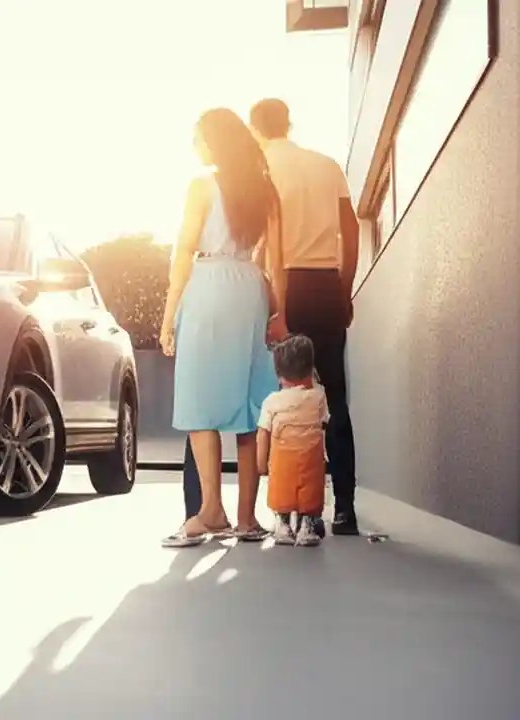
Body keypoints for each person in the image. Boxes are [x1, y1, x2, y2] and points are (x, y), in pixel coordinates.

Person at [160, 107, 280, 548]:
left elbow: (184, 250)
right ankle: (247, 518)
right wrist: (276, 309)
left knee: (199, 403)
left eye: (198, 137)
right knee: (249, 407)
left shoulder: (201, 186)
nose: (195, 145)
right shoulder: (263, 188)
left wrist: (170, 313)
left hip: (209, 285)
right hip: (250, 288)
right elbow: (274, 260)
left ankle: (211, 510)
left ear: (213, 141)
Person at [250, 98, 361, 537]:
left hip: (288, 285)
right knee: (335, 399)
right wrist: (345, 288)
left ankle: (290, 508)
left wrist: (278, 308)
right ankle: (345, 510)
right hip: (327, 283)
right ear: (288, 122)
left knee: (286, 401)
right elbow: (350, 230)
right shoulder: (326, 164)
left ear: (257, 129)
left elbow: (272, 247)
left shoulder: (265, 172)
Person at [257, 335, 330, 547]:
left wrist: (261, 464)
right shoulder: (318, 396)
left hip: (282, 460)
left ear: (279, 375)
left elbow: (263, 433)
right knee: (311, 493)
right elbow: (324, 421)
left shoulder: (272, 401)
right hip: (311, 459)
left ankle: (283, 525)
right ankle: (306, 526)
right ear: (311, 370)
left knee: (282, 492)